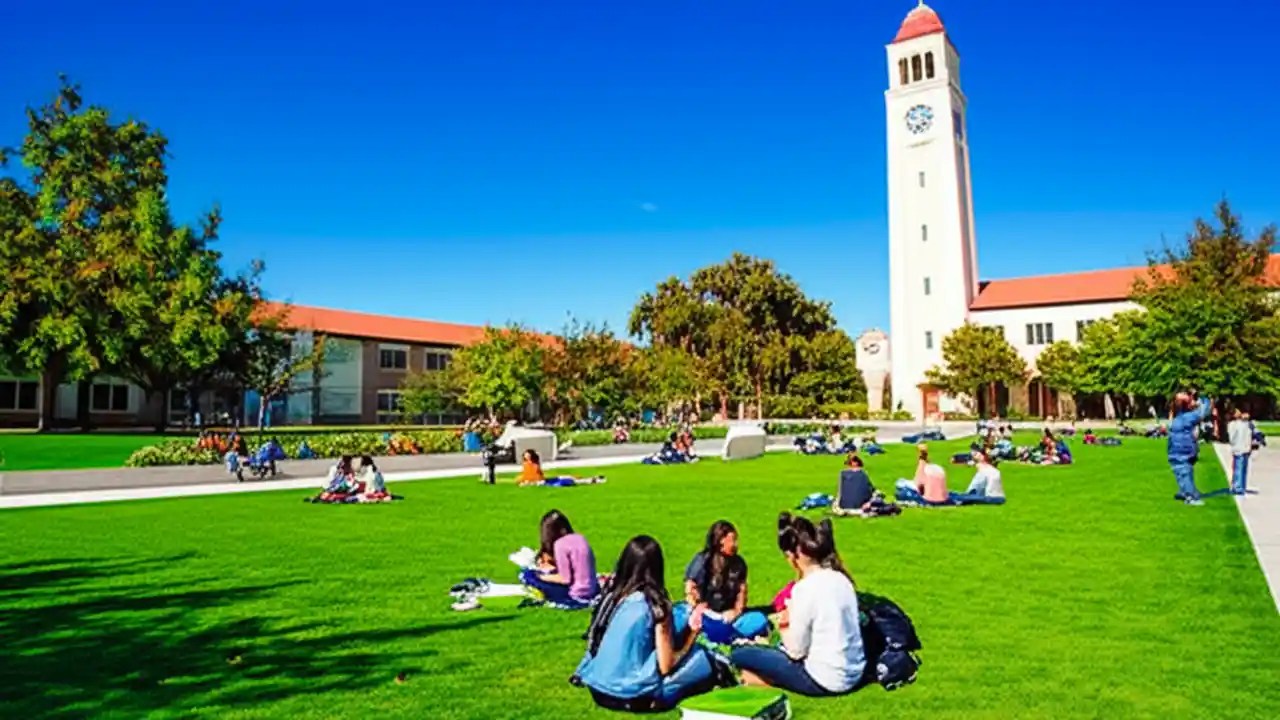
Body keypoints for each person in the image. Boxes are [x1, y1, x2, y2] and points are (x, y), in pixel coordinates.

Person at [575, 536, 725, 711]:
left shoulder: (612, 596)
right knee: (701, 658)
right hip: (633, 695)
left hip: (597, 687)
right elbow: (666, 666)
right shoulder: (656, 604)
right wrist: (692, 633)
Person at [730, 513, 865, 697]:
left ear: (793, 556)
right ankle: (758, 678)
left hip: (824, 679)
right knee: (760, 662)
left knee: (740, 653)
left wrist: (785, 623)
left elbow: (795, 651)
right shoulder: (842, 579)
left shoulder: (804, 589)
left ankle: (757, 679)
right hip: (855, 672)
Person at [675, 521, 770, 642]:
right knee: (679, 614)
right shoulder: (702, 561)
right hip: (702, 615)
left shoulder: (739, 565)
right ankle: (717, 634)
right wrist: (698, 608)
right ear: (721, 540)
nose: (736, 544)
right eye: (733, 540)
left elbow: (742, 594)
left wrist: (735, 612)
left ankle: (719, 634)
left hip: (727, 618)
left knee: (759, 619)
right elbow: (690, 589)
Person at [520, 510, 599, 608]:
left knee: (527, 575)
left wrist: (540, 577)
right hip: (591, 589)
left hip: (576, 594)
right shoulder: (580, 538)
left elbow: (565, 579)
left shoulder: (560, 544)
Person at [1168, 390, 1213, 506]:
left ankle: (1185, 491)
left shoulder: (1177, 418)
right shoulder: (1188, 417)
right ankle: (1190, 496)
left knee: (1180, 472)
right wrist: (1204, 397)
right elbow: (1205, 411)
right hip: (1184, 450)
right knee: (1185, 472)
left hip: (1174, 450)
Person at [517, 449, 605, 487]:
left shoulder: (534, 464)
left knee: (567, 477)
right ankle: (591, 481)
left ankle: (593, 479)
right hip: (542, 482)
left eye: (528, 454)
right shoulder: (527, 465)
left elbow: (536, 475)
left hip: (543, 481)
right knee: (569, 480)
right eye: (526, 454)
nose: (526, 456)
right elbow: (528, 477)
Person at [1227, 408, 1253, 496]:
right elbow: (1232, 438)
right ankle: (1237, 487)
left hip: (1245, 448)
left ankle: (1242, 485)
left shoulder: (1245, 424)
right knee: (1238, 468)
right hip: (1239, 449)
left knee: (1243, 469)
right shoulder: (1233, 425)